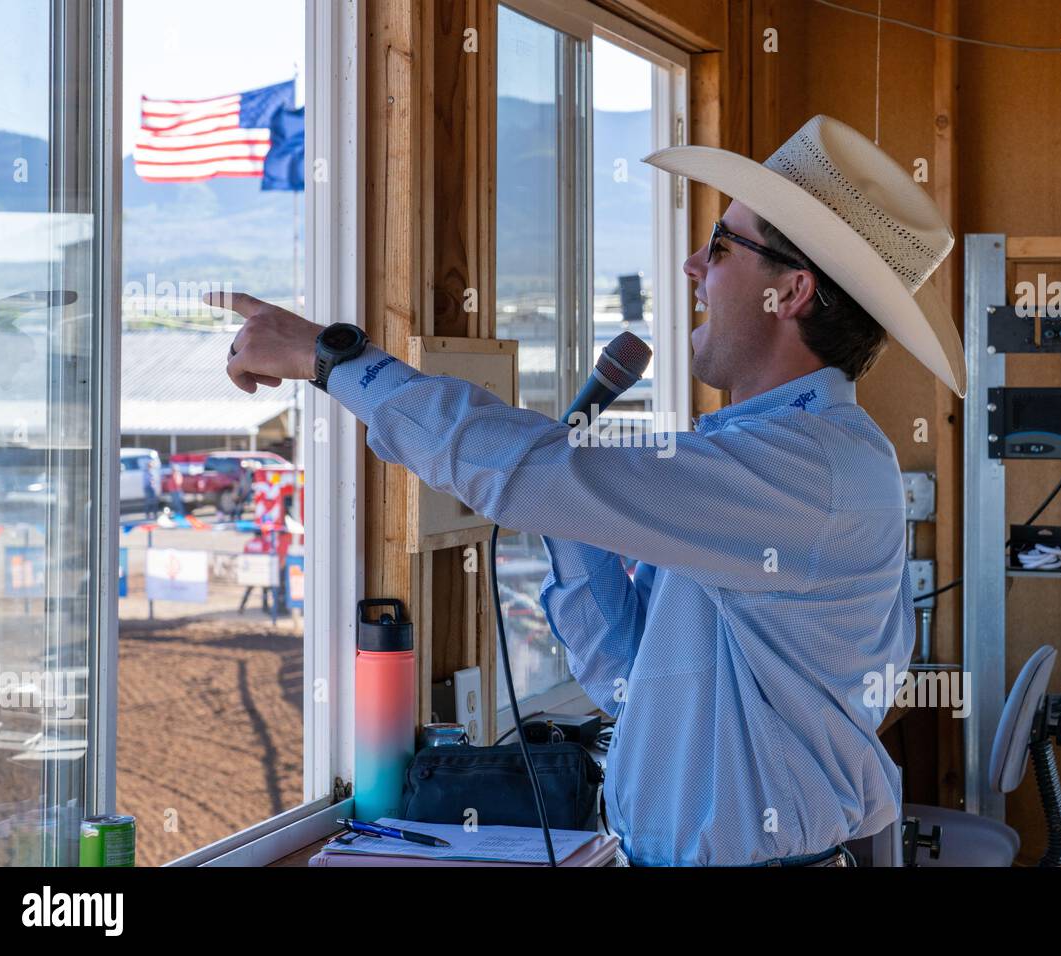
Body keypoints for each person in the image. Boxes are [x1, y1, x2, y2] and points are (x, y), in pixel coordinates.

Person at [209, 114, 967, 867]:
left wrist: (333, 359)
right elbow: (623, 677)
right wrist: (567, 504)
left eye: (721, 246)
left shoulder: (807, 470)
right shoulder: (756, 461)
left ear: (793, 291)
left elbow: (516, 470)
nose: (693, 269)